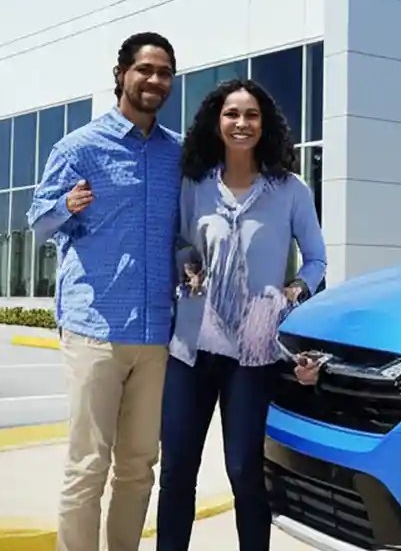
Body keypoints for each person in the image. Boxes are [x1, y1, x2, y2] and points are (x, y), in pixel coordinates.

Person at [156, 78, 327, 551]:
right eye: (232, 114)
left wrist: (294, 290)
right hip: (191, 348)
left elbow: (315, 260)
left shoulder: (289, 190)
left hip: (253, 353)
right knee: (176, 472)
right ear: (217, 121)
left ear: (264, 124)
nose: (241, 123)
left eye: (251, 115)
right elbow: (182, 243)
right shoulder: (195, 185)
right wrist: (188, 265)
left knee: (245, 471)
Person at [28, 32, 182, 551]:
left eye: (164, 72)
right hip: (94, 330)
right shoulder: (79, 147)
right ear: (121, 74)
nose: (155, 81)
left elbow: (181, 235)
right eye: (145, 70)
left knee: (139, 467)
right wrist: (66, 206)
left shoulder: (176, 154)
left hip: (156, 333)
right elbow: (38, 223)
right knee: (88, 465)